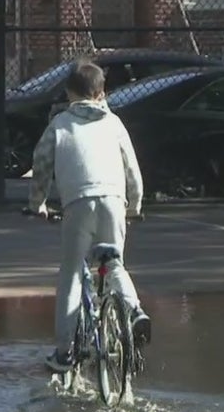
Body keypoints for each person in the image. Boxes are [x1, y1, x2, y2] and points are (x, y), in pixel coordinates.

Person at [27, 59, 151, 372]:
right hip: (114, 200)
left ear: (69, 92)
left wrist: (37, 202)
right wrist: (134, 206)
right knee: (113, 263)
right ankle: (134, 310)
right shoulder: (115, 124)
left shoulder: (60, 124)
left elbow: (41, 163)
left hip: (78, 204)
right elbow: (132, 170)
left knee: (71, 273)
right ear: (102, 93)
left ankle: (64, 353)